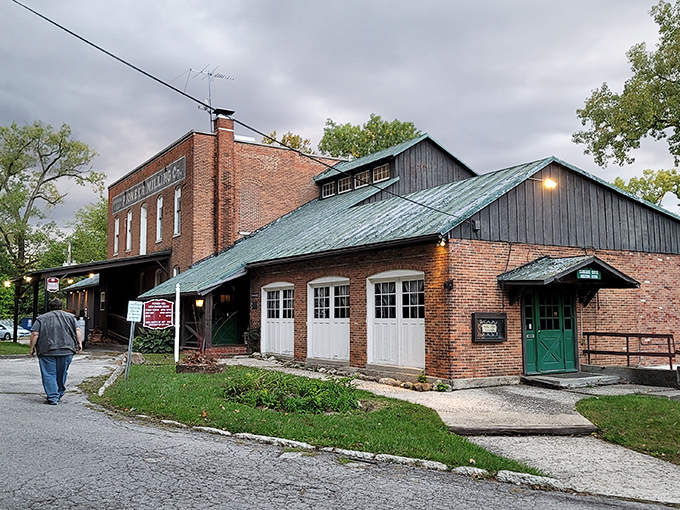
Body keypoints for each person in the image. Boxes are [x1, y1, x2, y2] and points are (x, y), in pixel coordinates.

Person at [30, 298, 82, 405]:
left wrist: (32, 348)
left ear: (50, 307)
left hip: (46, 350)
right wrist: (79, 343)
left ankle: (53, 396)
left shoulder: (41, 319)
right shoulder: (71, 318)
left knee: (49, 373)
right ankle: (59, 392)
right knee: (62, 372)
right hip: (67, 349)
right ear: (61, 306)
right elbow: (78, 330)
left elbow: (35, 334)